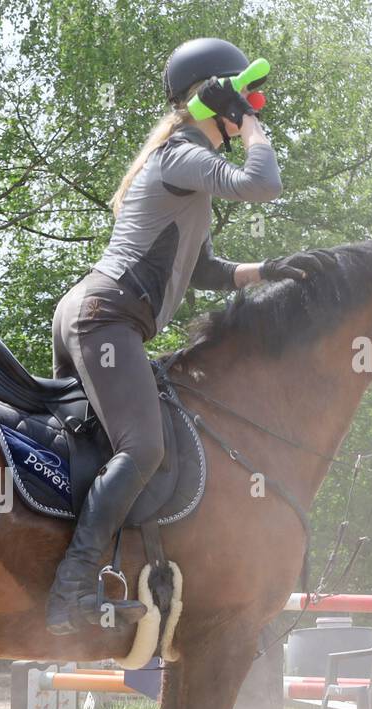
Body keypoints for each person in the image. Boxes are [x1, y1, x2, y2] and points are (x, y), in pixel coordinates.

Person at [46, 38, 324, 634]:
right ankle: (70, 590)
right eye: (243, 94)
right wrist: (250, 126)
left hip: (92, 314)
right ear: (213, 97)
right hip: (107, 318)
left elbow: (200, 269)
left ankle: (91, 570)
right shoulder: (181, 152)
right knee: (143, 450)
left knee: (102, 452)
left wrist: (266, 272)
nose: (256, 104)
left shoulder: (182, 164)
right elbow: (262, 184)